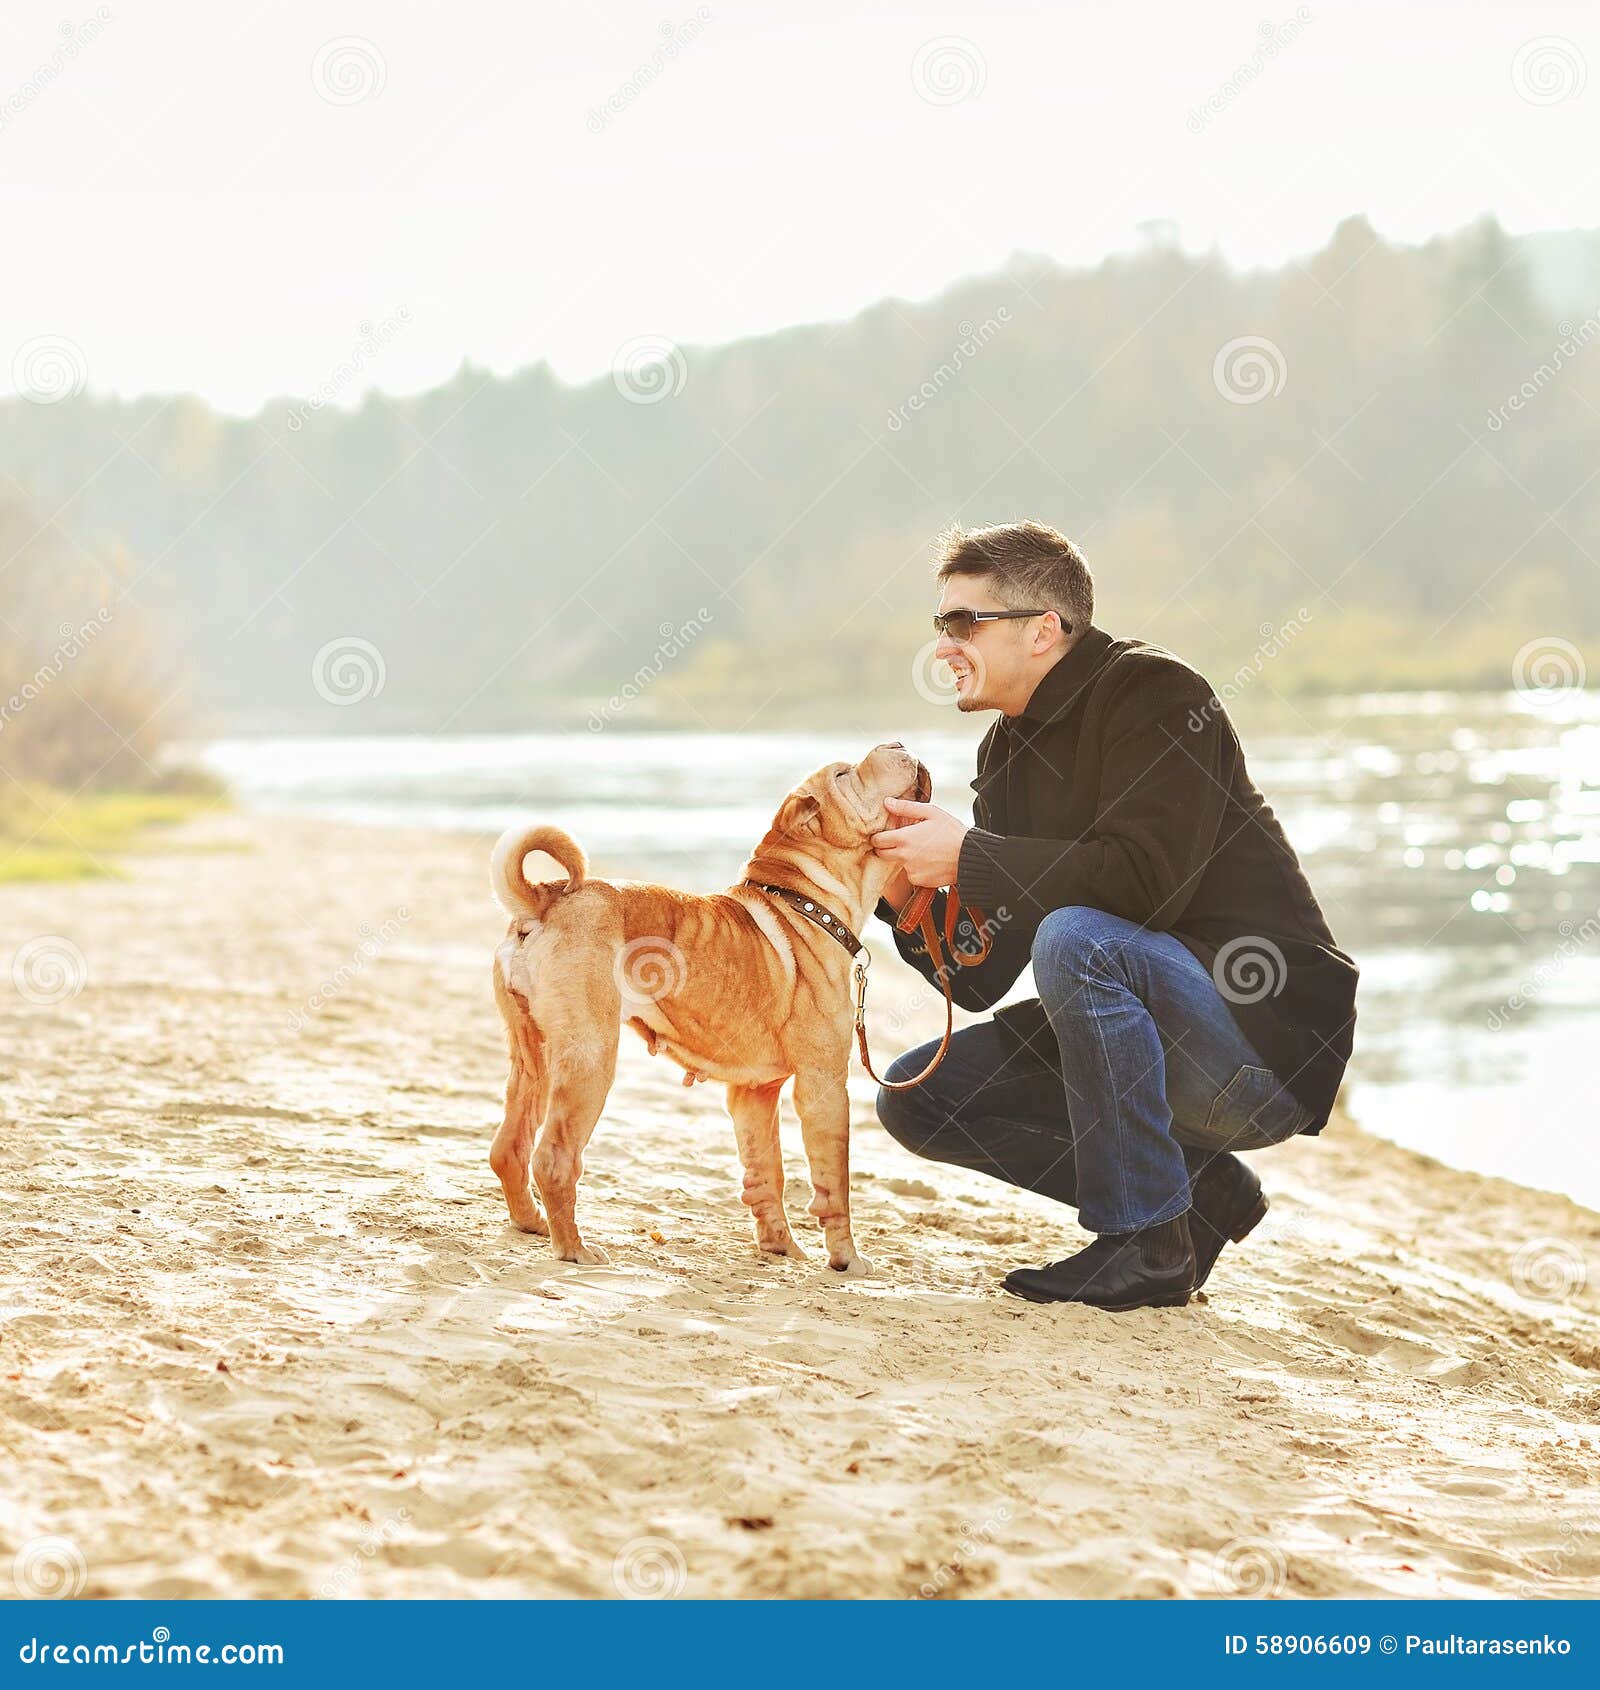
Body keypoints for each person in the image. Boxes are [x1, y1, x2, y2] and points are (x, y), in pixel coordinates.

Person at [870, 521, 1358, 1310]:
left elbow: (1144, 888)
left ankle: (1146, 1242)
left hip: (1261, 1046)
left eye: (965, 624)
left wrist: (972, 857)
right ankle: (1197, 1197)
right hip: (1150, 1023)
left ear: (1043, 631)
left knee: (1076, 937)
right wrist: (904, 896)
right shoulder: (1004, 755)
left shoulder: (1159, 694)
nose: (944, 648)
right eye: (941, 625)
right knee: (917, 1096)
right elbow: (980, 976)